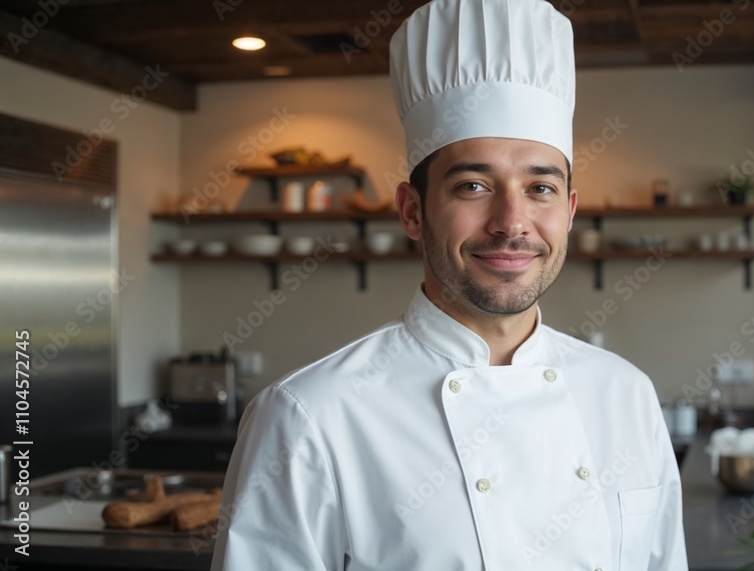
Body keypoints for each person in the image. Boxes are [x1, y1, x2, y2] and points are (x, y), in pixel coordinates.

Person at [210, 0, 687, 569]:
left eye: (540, 189)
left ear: (569, 210)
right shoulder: (307, 417)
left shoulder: (627, 395)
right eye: (473, 186)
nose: (512, 222)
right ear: (412, 212)